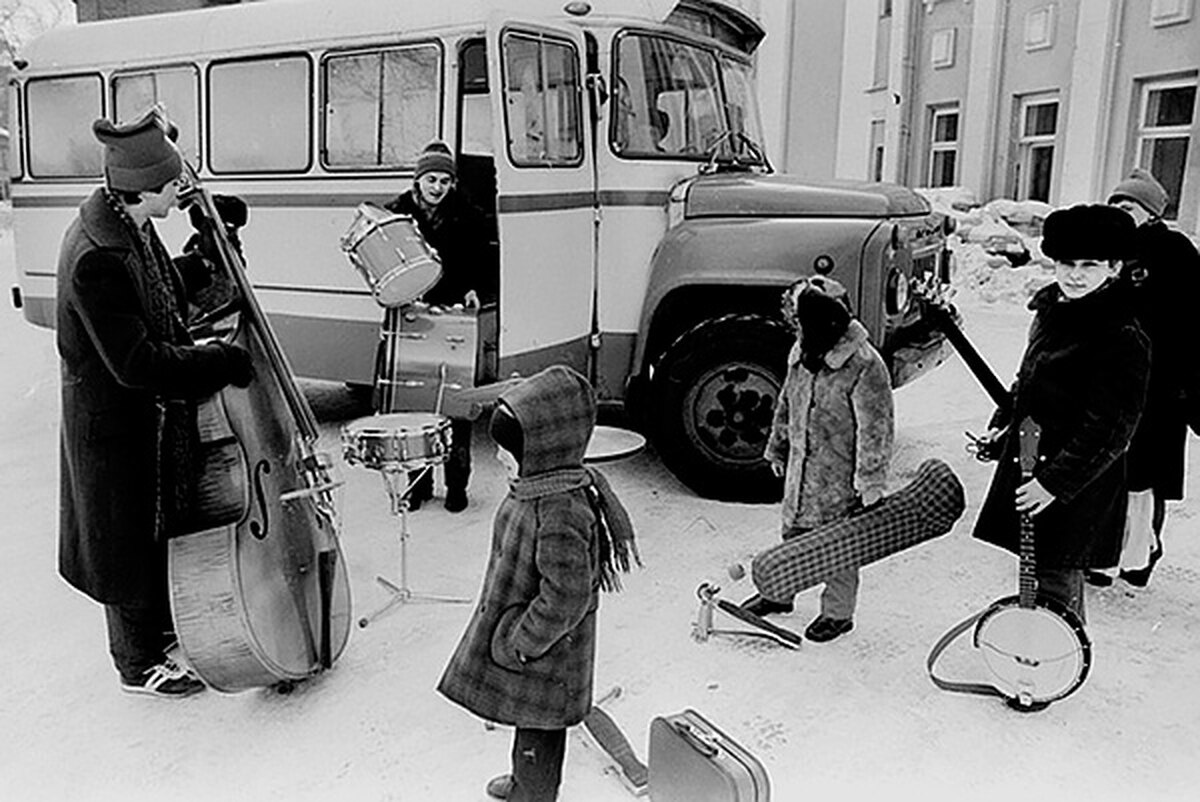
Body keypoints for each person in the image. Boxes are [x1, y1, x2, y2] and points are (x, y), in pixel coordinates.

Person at [56, 109, 254, 698]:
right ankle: (136, 664)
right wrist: (221, 363)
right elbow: (138, 364)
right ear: (146, 189)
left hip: (144, 420)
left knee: (152, 523)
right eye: (175, 186)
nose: (181, 192)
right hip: (114, 424)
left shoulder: (128, 224)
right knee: (125, 535)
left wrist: (211, 250)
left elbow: (166, 288)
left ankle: (157, 632)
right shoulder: (98, 255)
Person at [437, 365, 640, 801]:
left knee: (539, 733)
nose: (497, 457)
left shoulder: (559, 508)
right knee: (525, 718)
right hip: (535, 650)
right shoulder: (536, 487)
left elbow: (567, 594)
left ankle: (533, 794)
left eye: (507, 450)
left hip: (547, 652)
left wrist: (521, 642)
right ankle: (521, 781)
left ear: (542, 449)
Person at [972, 204, 1149, 623]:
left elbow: (1110, 431)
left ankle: (1042, 670)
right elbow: (1031, 379)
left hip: (1072, 483)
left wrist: (1053, 485)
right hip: (1034, 463)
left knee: (1054, 577)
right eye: (1067, 263)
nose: (1075, 274)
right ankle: (1038, 661)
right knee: (1040, 573)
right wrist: (1006, 424)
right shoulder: (1055, 312)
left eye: (1090, 264)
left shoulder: (1120, 335)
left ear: (1115, 267)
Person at [740, 276, 894, 643]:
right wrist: (777, 447)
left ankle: (838, 613)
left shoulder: (863, 365)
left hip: (839, 477)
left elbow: (878, 427)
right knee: (793, 535)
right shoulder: (803, 352)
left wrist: (871, 479)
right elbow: (786, 403)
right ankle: (779, 591)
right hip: (801, 470)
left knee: (838, 547)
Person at [1084, 169, 1200, 588]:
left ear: (1150, 212)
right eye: (1114, 203)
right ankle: (1106, 556)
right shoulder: (1111, 249)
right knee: (1113, 469)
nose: (1118, 211)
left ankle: (1140, 556)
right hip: (1120, 379)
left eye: (1128, 205)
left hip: (1161, 383)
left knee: (1144, 476)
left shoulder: (1172, 249)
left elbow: (1187, 319)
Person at [382, 140, 494, 512]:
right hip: (412, 314)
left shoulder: (470, 215)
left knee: (455, 402)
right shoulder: (394, 217)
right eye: (431, 179)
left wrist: (476, 289)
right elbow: (382, 268)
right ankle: (418, 486)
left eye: (445, 181)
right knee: (415, 405)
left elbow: (482, 259)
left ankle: (457, 485)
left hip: (452, 314)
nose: (438, 187)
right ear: (418, 180)